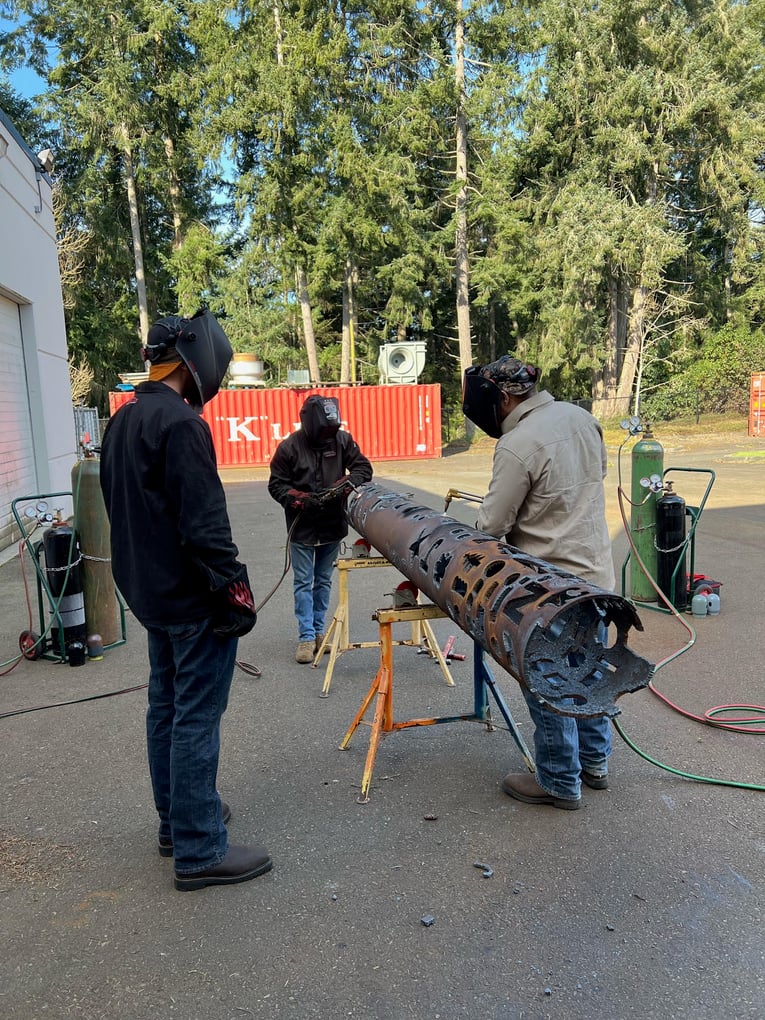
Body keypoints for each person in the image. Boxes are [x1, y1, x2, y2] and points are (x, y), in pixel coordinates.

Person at [100, 310, 272, 890]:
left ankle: (178, 823)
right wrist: (234, 588)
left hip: (151, 596)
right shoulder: (181, 424)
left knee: (167, 710)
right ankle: (199, 850)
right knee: (195, 717)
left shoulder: (122, 422)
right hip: (191, 601)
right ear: (196, 359)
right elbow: (205, 525)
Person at [462, 354, 615, 811]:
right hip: (596, 578)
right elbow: (591, 481)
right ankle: (595, 764)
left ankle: (558, 781)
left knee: (548, 680)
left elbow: (492, 526)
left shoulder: (517, 444)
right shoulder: (581, 418)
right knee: (588, 673)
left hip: (548, 590)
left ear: (504, 397)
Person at [268, 395, 373, 663]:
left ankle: (318, 633)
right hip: (301, 527)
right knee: (304, 581)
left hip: (331, 526)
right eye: (323, 431)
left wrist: (345, 485)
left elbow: (363, 467)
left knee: (323, 581)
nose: (328, 436)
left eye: (331, 430)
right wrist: (297, 498)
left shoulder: (342, 441)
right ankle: (305, 638)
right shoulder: (289, 447)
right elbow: (276, 485)